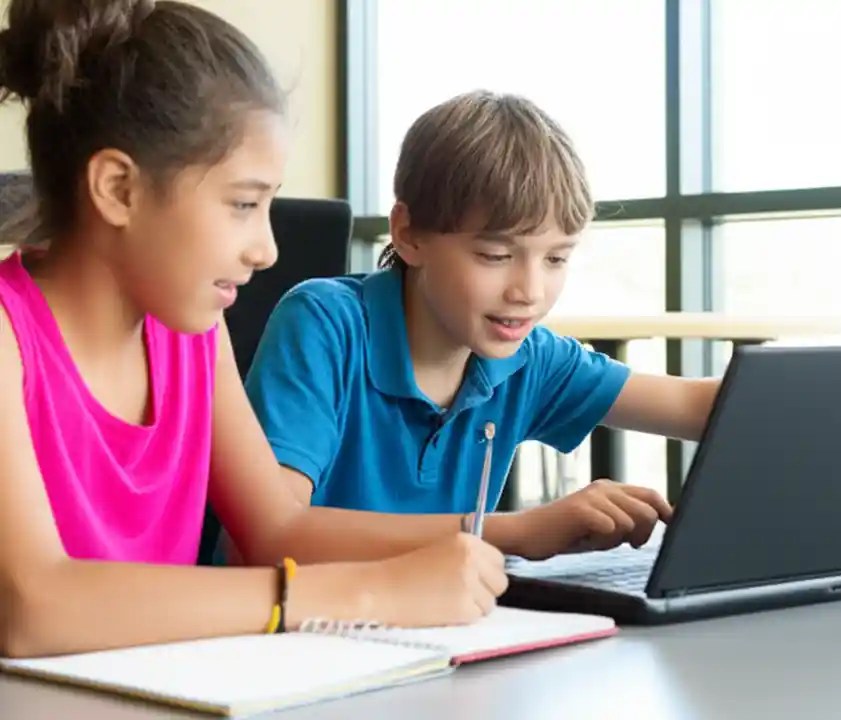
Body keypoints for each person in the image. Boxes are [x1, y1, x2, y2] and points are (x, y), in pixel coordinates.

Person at [0, 0, 508, 659]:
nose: (266, 248)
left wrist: (497, 539)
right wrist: (366, 594)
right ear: (118, 188)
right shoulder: (9, 339)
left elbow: (279, 527)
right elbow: (32, 607)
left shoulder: (192, 337)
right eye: (243, 204)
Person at [244, 90, 721, 562]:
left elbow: (689, 404)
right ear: (408, 235)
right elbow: (275, 534)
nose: (529, 290)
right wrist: (508, 532)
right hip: (287, 628)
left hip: (432, 623)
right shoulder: (324, 324)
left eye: (556, 258)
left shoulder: (527, 357)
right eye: (495, 256)